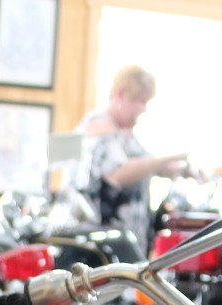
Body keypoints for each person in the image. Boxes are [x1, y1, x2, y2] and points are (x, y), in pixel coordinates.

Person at [74, 65, 198, 252]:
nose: (143, 109)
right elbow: (117, 173)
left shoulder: (124, 134)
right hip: (103, 244)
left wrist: (185, 169)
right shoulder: (99, 126)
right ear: (121, 95)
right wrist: (169, 158)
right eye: (140, 101)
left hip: (126, 239)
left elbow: (146, 165)